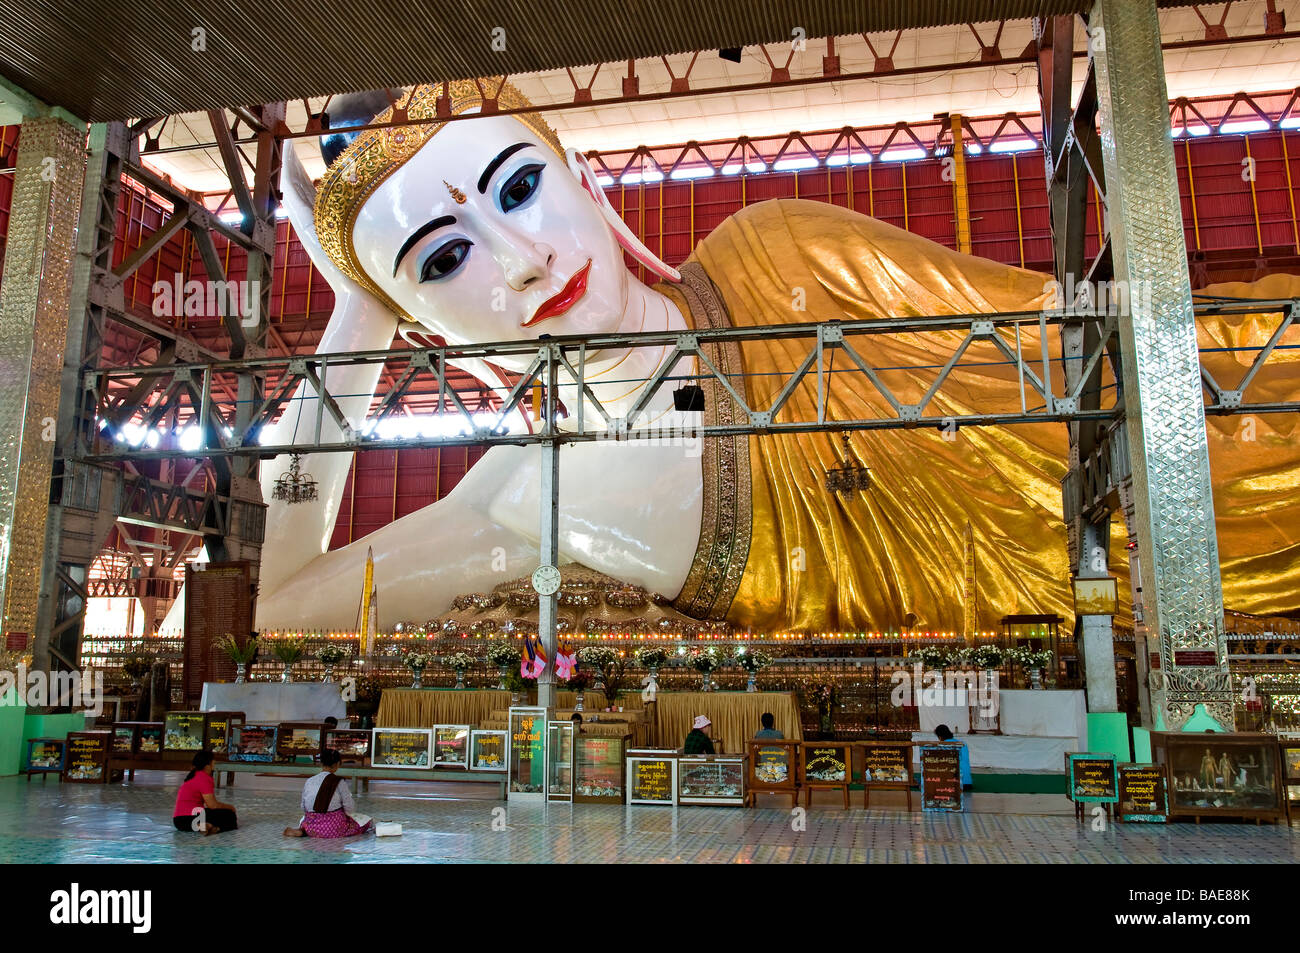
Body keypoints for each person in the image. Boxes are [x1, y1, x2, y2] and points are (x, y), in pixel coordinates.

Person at [283, 749, 373, 838]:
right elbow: (349, 807)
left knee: (304, 819)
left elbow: (303, 806)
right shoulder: (339, 782)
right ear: (338, 764)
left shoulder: (309, 781)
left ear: (321, 763)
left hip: (311, 826)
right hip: (334, 827)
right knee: (366, 822)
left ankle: (303, 830)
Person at [172, 751, 237, 835]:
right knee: (230, 815)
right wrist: (230, 807)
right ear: (207, 764)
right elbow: (213, 805)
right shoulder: (204, 778)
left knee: (219, 813)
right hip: (190, 818)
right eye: (213, 760)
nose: (215, 762)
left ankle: (205, 826)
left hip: (179, 821)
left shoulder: (195, 775)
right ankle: (210, 826)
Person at [934, 724, 973, 789]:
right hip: (967, 783)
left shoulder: (942, 745)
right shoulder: (963, 743)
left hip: (953, 783)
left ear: (940, 737)